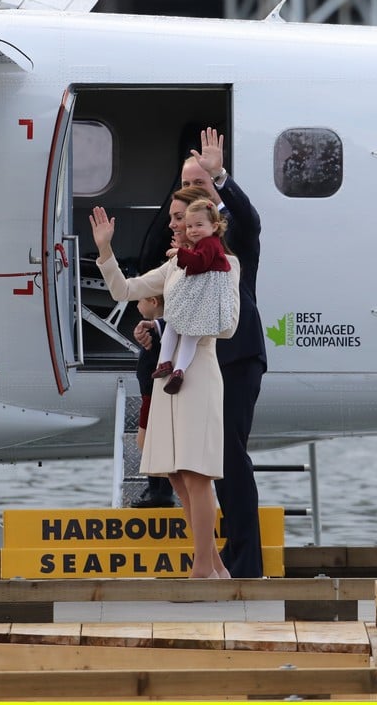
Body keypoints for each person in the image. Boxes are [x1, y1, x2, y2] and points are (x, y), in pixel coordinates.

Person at [89, 192, 240, 578]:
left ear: (205, 225)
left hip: (198, 372)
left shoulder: (227, 264)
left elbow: (228, 327)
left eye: (181, 219)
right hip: (168, 377)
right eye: (176, 219)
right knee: (175, 473)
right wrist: (105, 250)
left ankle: (202, 569)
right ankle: (216, 567)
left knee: (196, 473)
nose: (175, 226)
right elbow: (124, 291)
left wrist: (180, 321)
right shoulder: (172, 266)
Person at [181, 128, 267, 579]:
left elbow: (250, 220)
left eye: (200, 183)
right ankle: (215, 561)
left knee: (230, 458)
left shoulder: (235, 232)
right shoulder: (184, 236)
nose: (193, 191)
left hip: (235, 356)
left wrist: (220, 176)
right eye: (186, 184)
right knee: (202, 463)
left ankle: (244, 564)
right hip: (199, 360)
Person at [155, 199, 234, 395]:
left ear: (214, 226)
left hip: (201, 301)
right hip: (198, 301)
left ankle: (173, 367)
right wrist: (185, 251)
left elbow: (199, 263)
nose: (193, 230)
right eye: (189, 226)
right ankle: (172, 367)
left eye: (199, 225)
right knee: (179, 330)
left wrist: (180, 252)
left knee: (181, 331)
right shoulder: (204, 244)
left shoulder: (210, 243)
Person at [131, 295, 176, 509]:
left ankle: (162, 492)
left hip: (153, 393)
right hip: (149, 393)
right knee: (149, 442)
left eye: (140, 301)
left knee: (147, 442)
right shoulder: (157, 330)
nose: (137, 306)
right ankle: (158, 489)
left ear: (153, 302)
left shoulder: (158, 331)